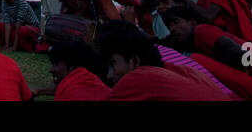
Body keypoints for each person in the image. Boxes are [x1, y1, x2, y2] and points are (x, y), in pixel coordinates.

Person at [94, 21, 234, 101]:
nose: (109, 75)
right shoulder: (181, 70)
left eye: (112, 64)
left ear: (135, 61)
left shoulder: (135, 79)